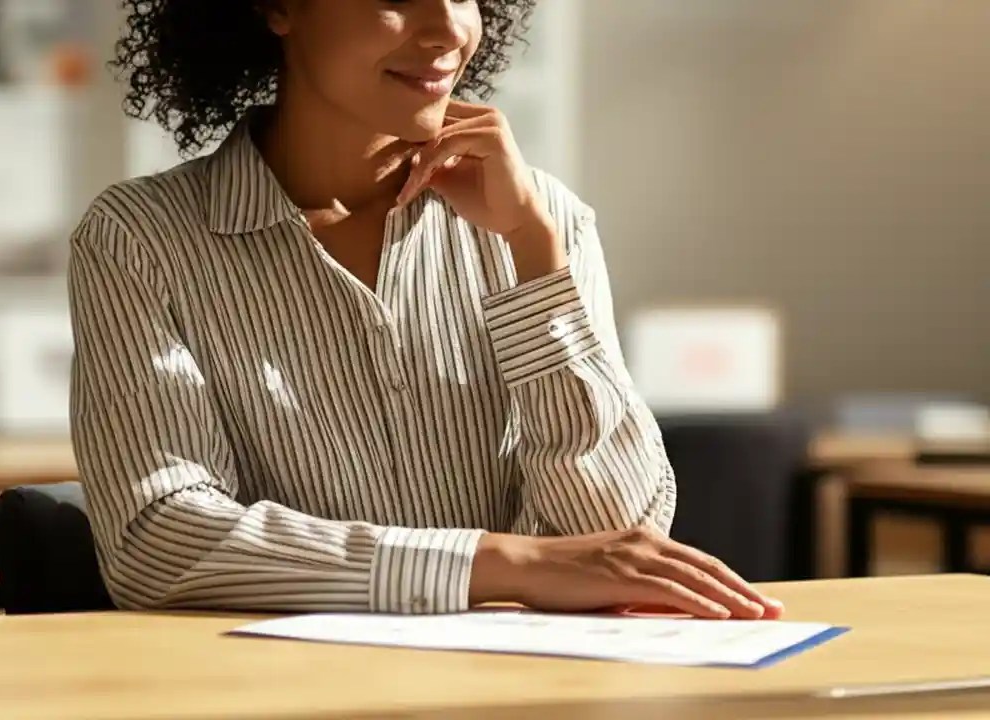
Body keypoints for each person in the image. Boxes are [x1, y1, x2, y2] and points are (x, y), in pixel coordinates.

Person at [68, 0, 784, 619]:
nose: (448, 29)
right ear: (278, 7)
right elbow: (156, 542)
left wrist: (534, 256)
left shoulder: (543, 221)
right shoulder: (140, 240)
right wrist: (504, 564)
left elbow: (615, 538)